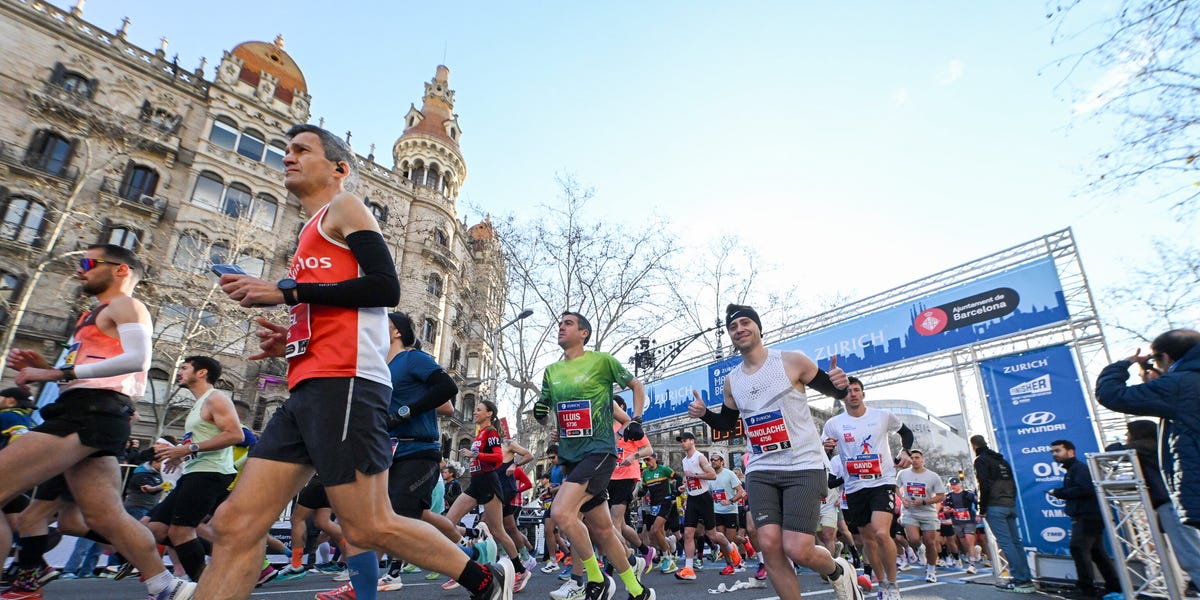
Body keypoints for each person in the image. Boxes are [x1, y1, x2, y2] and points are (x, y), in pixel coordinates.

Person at [200, 124, 511, 600]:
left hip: (344, 387)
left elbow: (386, 288)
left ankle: (485, 579)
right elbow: (340, 310)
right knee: (234, 524)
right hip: (306, 388)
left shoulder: (344, 207)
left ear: (339, 168)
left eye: (302, 150)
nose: (288, 157)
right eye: (286, 150)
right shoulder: (308, 233)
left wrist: (285, 290)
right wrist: (292, 338)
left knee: (368, 527)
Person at [0, 244, 195, 600]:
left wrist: (56, 370)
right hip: (91, 411)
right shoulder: (94, 314)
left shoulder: (126, 305)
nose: (80, 270)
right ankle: (167, 586)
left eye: (89, 262)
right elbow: (91, 370)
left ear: (120, 270)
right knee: (104, 518)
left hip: (90, 413)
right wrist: (48, 366)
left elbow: (137, 358)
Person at [691, 304, 862, 600]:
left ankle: (838, 570)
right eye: (733, 327)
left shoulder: (792, 360)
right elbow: (729, 425)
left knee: (798, 548)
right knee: (769, 546)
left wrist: (840, 386)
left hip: (803, 465)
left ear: (758, 328)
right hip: (761, 468)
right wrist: (706, 414)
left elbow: (833, 392)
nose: (739, 329)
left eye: (745, 323)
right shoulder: (733, 380)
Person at [316, 311, 461, 599]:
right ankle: (472, 558)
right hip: (385, 454)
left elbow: (447, 389)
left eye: (382, 324)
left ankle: (362, 587)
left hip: (418, 451)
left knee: (392, 519)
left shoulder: (413, 358)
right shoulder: (378, 367)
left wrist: (405, 412)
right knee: (376, 521)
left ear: (395, 331)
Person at [533, 311, 654, 600]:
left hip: (599, 452)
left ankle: (596, 580)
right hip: (571, 457)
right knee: (602, 529)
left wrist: (635, 419)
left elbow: (636, 385)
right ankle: (638, 591)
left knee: (561, 512)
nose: (561, 328)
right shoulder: (551, 371)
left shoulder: (602, 361)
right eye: (559, 324)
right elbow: (548, 410)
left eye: (568, 324)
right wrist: (543, 416)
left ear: (584, 333)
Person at [1095, 329, 1200, 587]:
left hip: (1183, 490)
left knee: (1192, 557)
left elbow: (1112, 394)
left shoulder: (1181, 385)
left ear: (1164, 356)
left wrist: (1125, 364)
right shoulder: (1186, 384)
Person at [146, 356, 243, 582]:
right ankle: (227, 559)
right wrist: (181, 454)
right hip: (195, 471)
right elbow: (201, 439)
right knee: (158, 529)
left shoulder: (216, 398)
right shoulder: (198, 405)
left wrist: (188, 449)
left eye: (184, 367)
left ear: (201, 373)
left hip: (210, 472)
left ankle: (208, 588)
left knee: (181, 531)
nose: (179, 372)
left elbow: (235, 435)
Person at [822, 376, 914, 600]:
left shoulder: (882, 416)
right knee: (868, 539)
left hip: (881, 481)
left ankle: (893, 586)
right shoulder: (833, 423)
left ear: (863, 394)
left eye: (856, 390)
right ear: (842, 396)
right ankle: (881, 582)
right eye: (848, 391)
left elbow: (906, 433)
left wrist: (905, 451)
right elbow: (825, 456)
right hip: (854, 487)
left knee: (882, 533)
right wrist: (826, 449)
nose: (852, 394)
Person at [1049, 440, 1119, 597]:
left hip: (1087, 515)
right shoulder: (1073, 470)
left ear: (1071, 451)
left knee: (1079, 549)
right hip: (1087, 515)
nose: (1054, 454)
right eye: (1052, 452)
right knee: (1096, 552)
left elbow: (1086, 489)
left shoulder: (1078, 469)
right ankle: (1114, 586)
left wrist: (1060, 493)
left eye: (1058, 451)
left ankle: (1086, 589)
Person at [969, 434, 1034, 593]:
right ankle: (1025, 579)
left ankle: (1019, 581)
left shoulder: (980, 460)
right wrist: (1011, 501)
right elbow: (1012, 483)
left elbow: (983, 485)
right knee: (1015, 542)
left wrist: (981, 509)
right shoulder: (1001, 460)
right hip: (1009, 505)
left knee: (1006, 543)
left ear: (973, 446)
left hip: (994, 506)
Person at [672, 432, 740, 581]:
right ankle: (689, 569)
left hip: (704, 498)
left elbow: (712, 475)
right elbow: (689, 478)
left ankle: (731, 548)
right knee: (688, 533)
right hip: (692, 499)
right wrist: (685, 486)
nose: (683, 443)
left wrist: (695, 475)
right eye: (681, 441)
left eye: (685, 440)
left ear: (692, 441)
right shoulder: (684, 460)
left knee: (712, 535)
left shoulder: (700, 457)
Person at [608, 395, 654, 573]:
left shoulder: (631, 427)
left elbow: (648, 449)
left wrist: (633, 456)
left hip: (626, 477)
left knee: (613, 524)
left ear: (621, 407)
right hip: (607, 479)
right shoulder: (606, 428)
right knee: (618, 526)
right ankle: (645, 551)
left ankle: (613, 567)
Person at [895, 450, 945, 583]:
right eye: (912, 458)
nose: (914, 460)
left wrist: (924, 501)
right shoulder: (903, 474)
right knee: (913, 539)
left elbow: (941, 496)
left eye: (917, 457)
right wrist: (902, 499)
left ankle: (931, 570)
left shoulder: (932, 476)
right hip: (910, 511)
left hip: (928, 512)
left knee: (930, 542)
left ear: (922, 459)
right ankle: (919, 548)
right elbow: (895, 487)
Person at [640, 452, 678, 574]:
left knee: (656, 530)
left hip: (665, 502)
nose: (647, 462)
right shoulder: (646, 474)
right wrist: (636, 494)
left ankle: (668, 558)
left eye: (649, 459)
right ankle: (668, 543)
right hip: (654, 505)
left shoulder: (663, 469)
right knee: (656, 533)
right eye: (645, 460)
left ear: (655, 459)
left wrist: (676, 492)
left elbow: (678, 477)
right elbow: (645, 490)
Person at [709, 452, 747, 576]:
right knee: (722, 539)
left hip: (730, 511)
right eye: (712, 459)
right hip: (717, 511)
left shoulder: (729, 474)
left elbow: (741, 492)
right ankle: (729, 565)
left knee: (730, 538)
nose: (713, 461)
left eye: (716, 459)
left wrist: (730, 501)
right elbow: (709, 493)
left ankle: (745, 542)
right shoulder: (711, 476)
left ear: (722, 462)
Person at [944, 478, 979, 574]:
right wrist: (947, 511)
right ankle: (972, 554)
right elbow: (945, 509)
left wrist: (979, 514)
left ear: (960, 484)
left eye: (955, 484)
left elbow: (977, 503)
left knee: (969, 540)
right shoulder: (948, 496)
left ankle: (972, 564)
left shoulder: (969, 494)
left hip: (969, 520)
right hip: (957, 521)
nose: (953, 486)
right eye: (951, 485)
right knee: (964, 542)